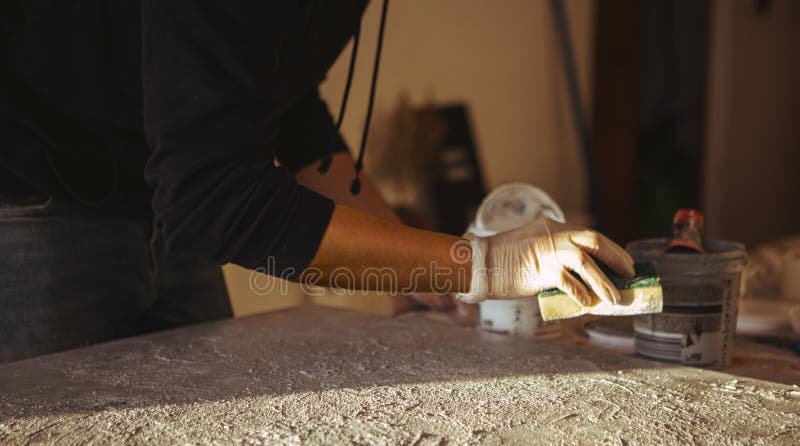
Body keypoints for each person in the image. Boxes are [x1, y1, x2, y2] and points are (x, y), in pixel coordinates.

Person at [0, 1, 634, 363]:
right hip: (29, 186)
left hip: (156, 187)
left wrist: (417, 271)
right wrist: (484, 267)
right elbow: (212, 200)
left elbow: (282, 103)